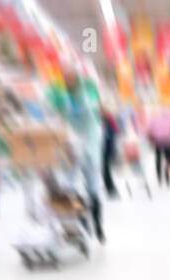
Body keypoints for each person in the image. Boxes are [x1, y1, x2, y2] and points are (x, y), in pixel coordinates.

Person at [60, 68, 106, 244]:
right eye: (66, 78)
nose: (68, 81)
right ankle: (83, 223)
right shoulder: (64, 100)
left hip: (90, 150)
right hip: (71, 150)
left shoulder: (88, 97)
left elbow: (96, 115)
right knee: (72, 187)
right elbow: (63, 122)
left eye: (70, 78)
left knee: (93, 189)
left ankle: (98, 225)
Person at [147, 106, 170, 187]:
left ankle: (159, 177)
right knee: (168, 160)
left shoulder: (155, 120)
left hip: (158, 142)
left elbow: (150, 130)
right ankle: (167, 177)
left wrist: (153, 139)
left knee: (158, 159)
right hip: (168, 142)